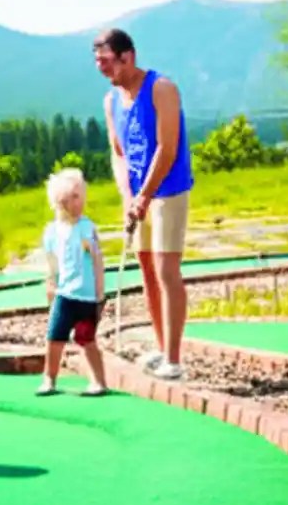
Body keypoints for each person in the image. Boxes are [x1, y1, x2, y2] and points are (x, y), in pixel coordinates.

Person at [95, 28, 194, 381]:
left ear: (128, 57)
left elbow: (166, 149)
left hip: (168, 190)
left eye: (107, 61)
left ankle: (174, 359)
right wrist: (128, 198)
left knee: (167, 270)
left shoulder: (161, 88)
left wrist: (145, 195)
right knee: (148, 268)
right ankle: (162, 345)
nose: (102, 69)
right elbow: (118, 153)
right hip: (140, 196)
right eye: (98, 62)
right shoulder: (111, 101)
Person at [36, 168, 108, 397]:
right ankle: (50, 379)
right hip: (64, 295)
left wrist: (100, 293)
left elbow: (97, 260)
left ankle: (99, 381)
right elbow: (52, 264)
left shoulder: (86, 228)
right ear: (60, 201)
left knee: (87, 338)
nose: (78, 202)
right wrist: (50, 287)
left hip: (86, 296)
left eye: (80, 195)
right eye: (72, 197)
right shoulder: (52, 231)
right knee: (54, 338)